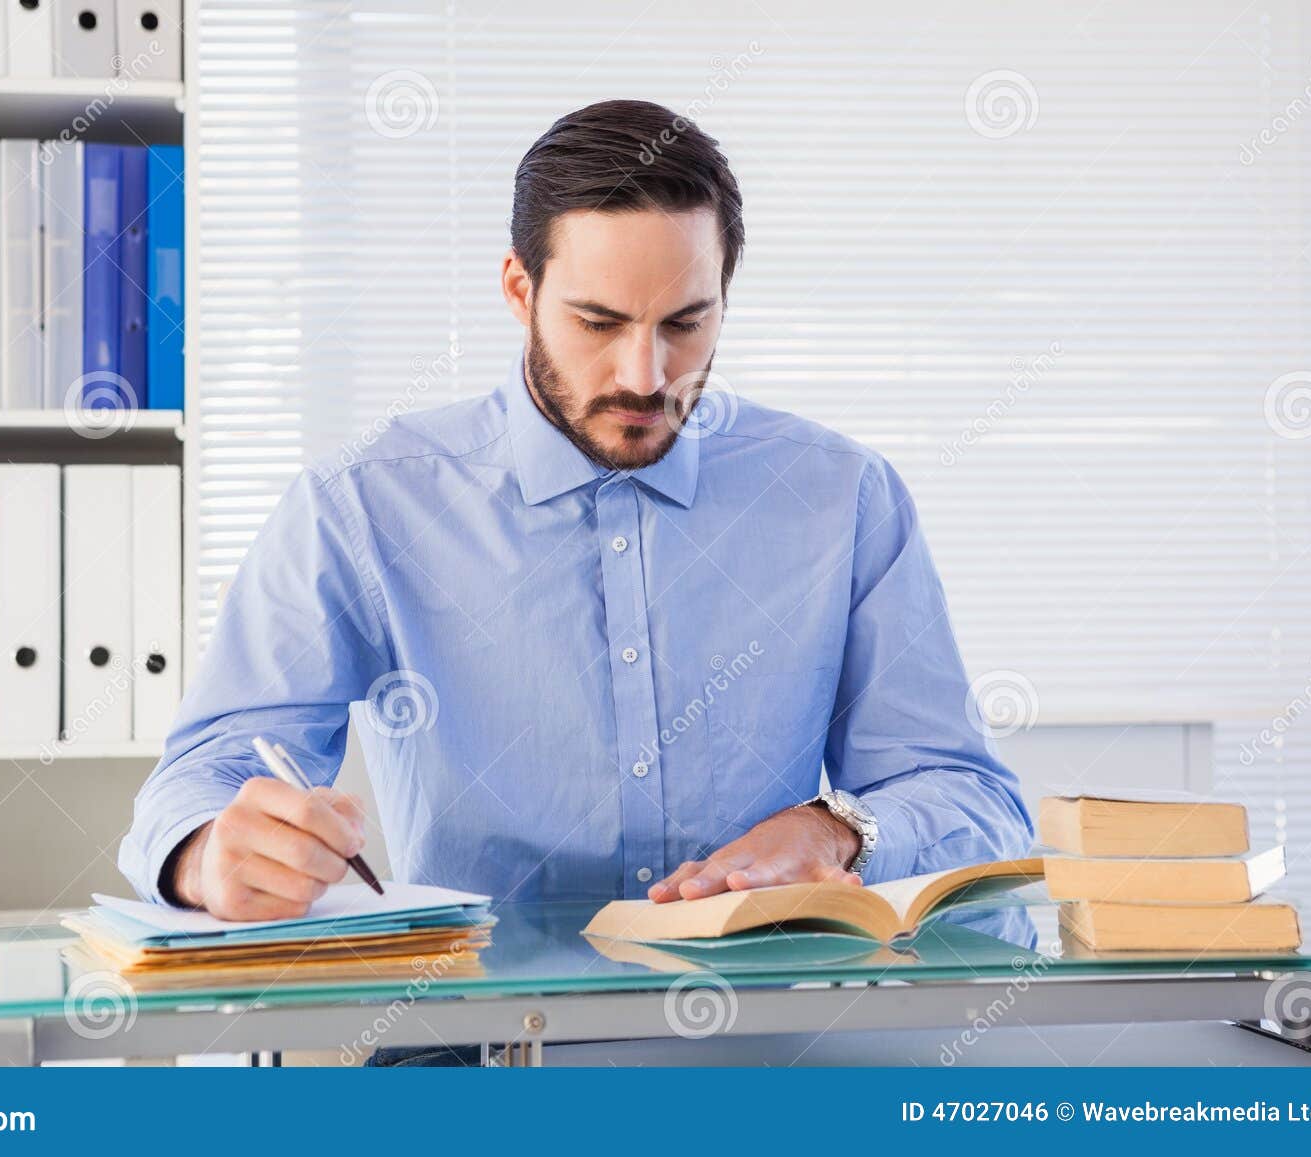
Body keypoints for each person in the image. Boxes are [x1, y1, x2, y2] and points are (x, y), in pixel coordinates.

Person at [119, 98, 1034, 923]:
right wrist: (205, 853)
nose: (647, 377)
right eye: (598, 322)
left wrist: (839, 830)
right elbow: (209, 771)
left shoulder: (842, 498)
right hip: (481, 1048)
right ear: (521, 290)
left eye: (686, 323)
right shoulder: (365, 504)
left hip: (770, 1044)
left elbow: (968, 796)